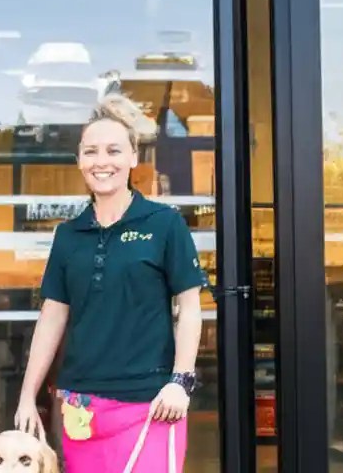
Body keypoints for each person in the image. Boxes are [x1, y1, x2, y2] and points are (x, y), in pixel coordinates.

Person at [14, 94, 209, 472]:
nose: (101, 161)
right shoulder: (68, 235)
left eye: (113, 150)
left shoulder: (164, 224)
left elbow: (189, 308)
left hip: (152, 403)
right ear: (79, 161)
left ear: (134, 157)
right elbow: (52, 317)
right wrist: (27, 395)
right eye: (91, 152)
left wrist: (180, 380)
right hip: (81, 408)